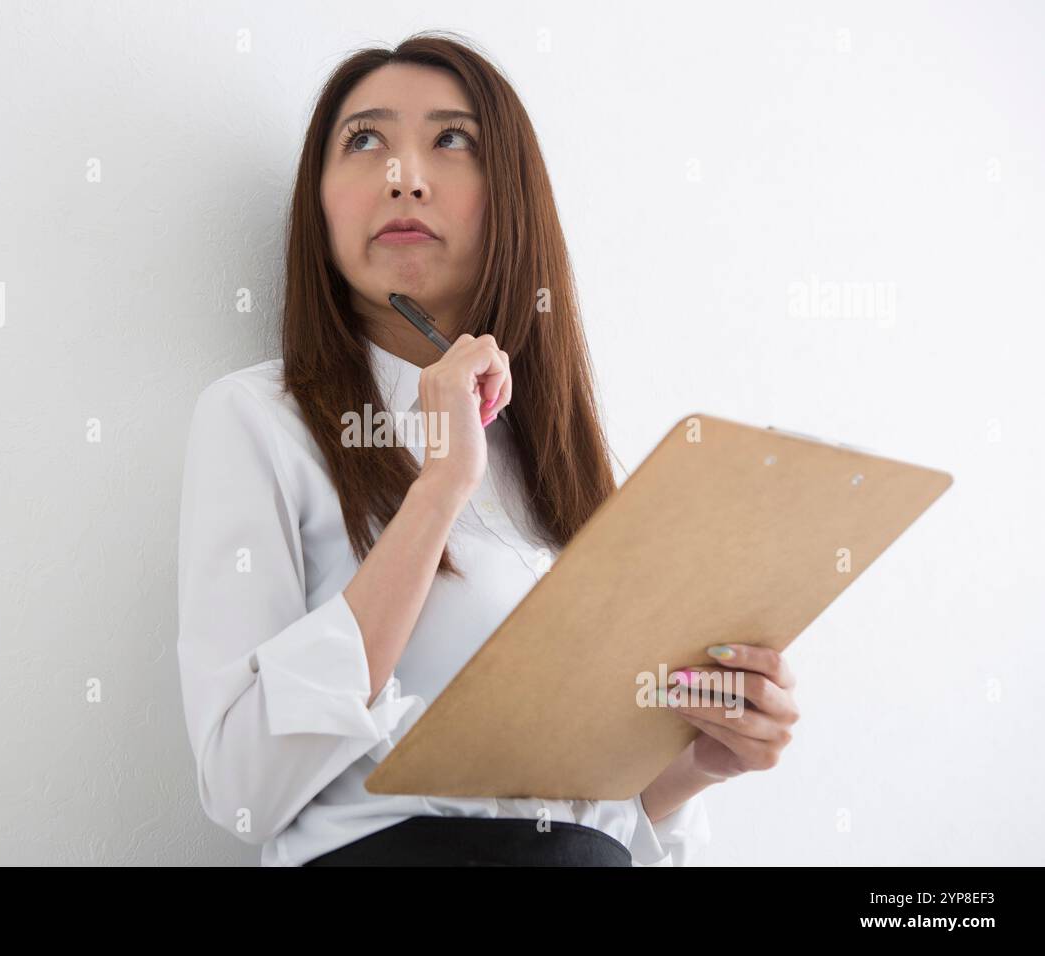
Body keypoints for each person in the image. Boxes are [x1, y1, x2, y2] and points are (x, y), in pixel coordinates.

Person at [177, 31, 799, 867]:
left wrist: (692, 767)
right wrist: (438, 489)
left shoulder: (563, 466)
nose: (404, 174)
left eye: (451, 139)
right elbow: (241, 786)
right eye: (365, 140)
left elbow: (579, 810)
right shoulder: (257, 419)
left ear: (509, 194)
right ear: (318, 204)